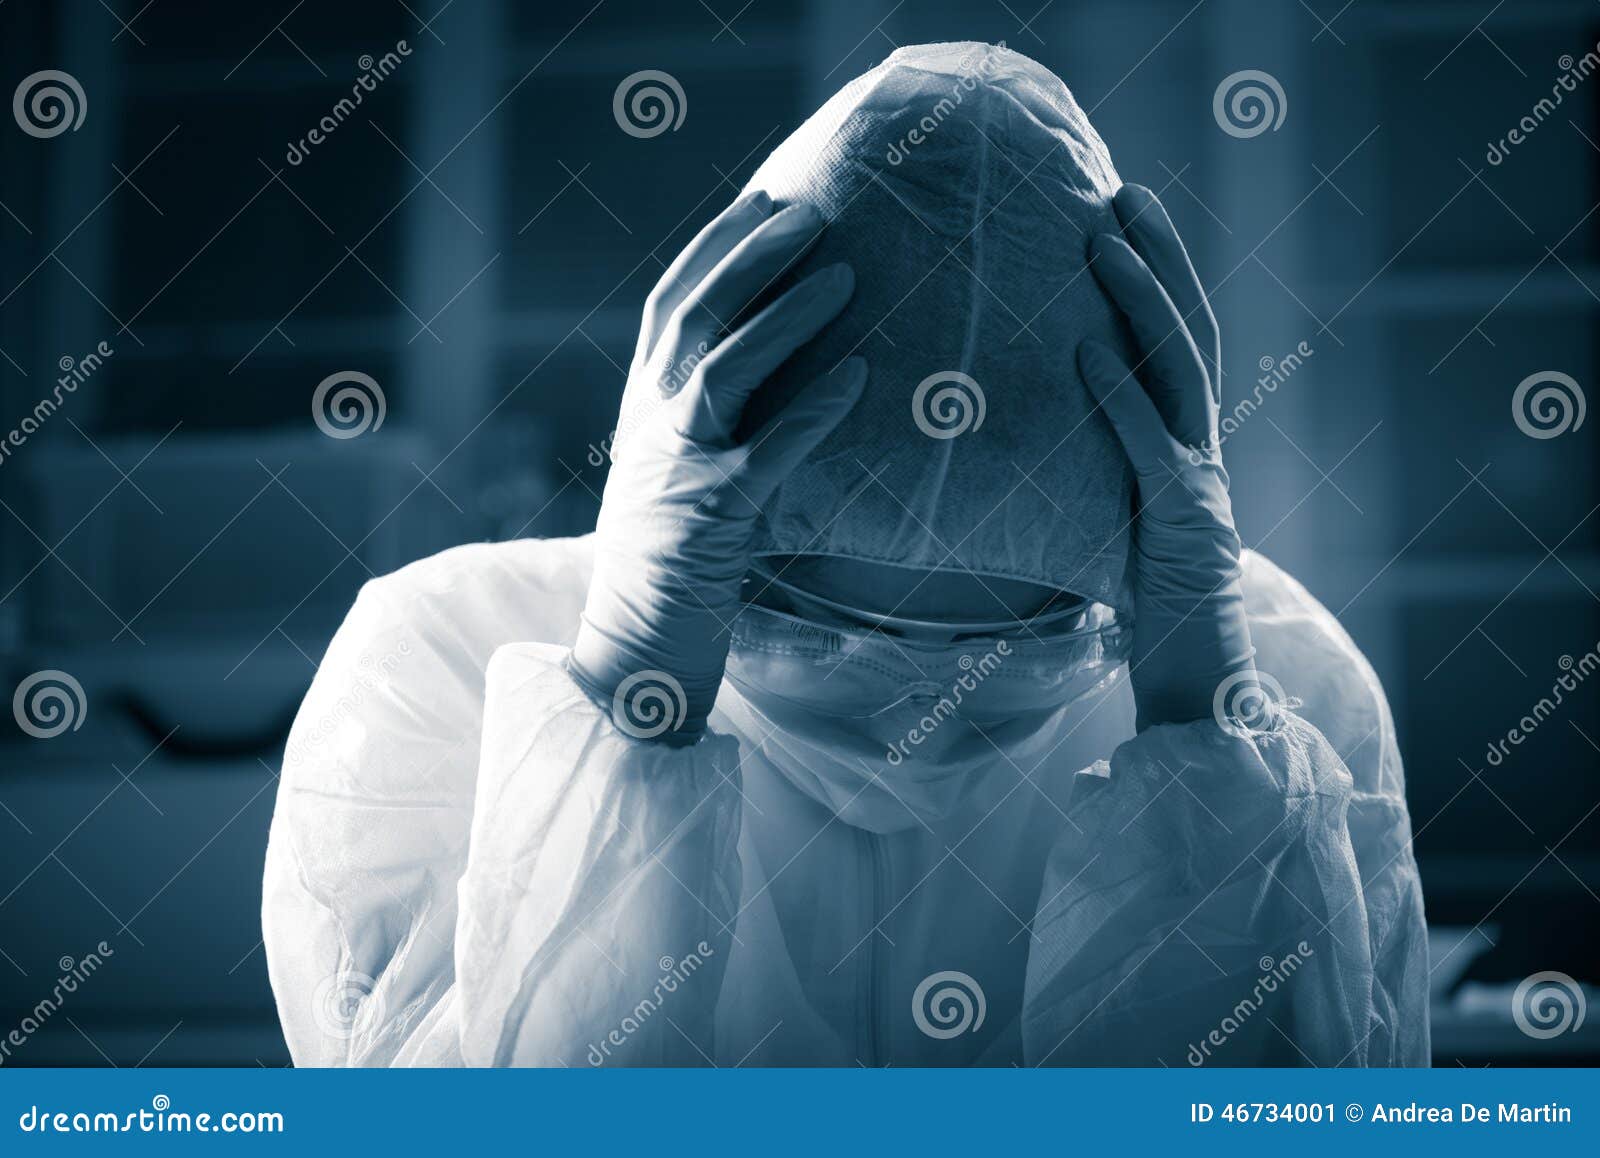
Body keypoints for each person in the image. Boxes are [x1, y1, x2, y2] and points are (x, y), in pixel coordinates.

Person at [262, 43, 1428, 1067]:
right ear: (710, 517)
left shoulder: (1281, 686)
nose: (905, 721)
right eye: (812, 628)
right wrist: (630, 697)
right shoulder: (439, 663)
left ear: (1116, 582)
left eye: (1005, 650)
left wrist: (1203, 745)